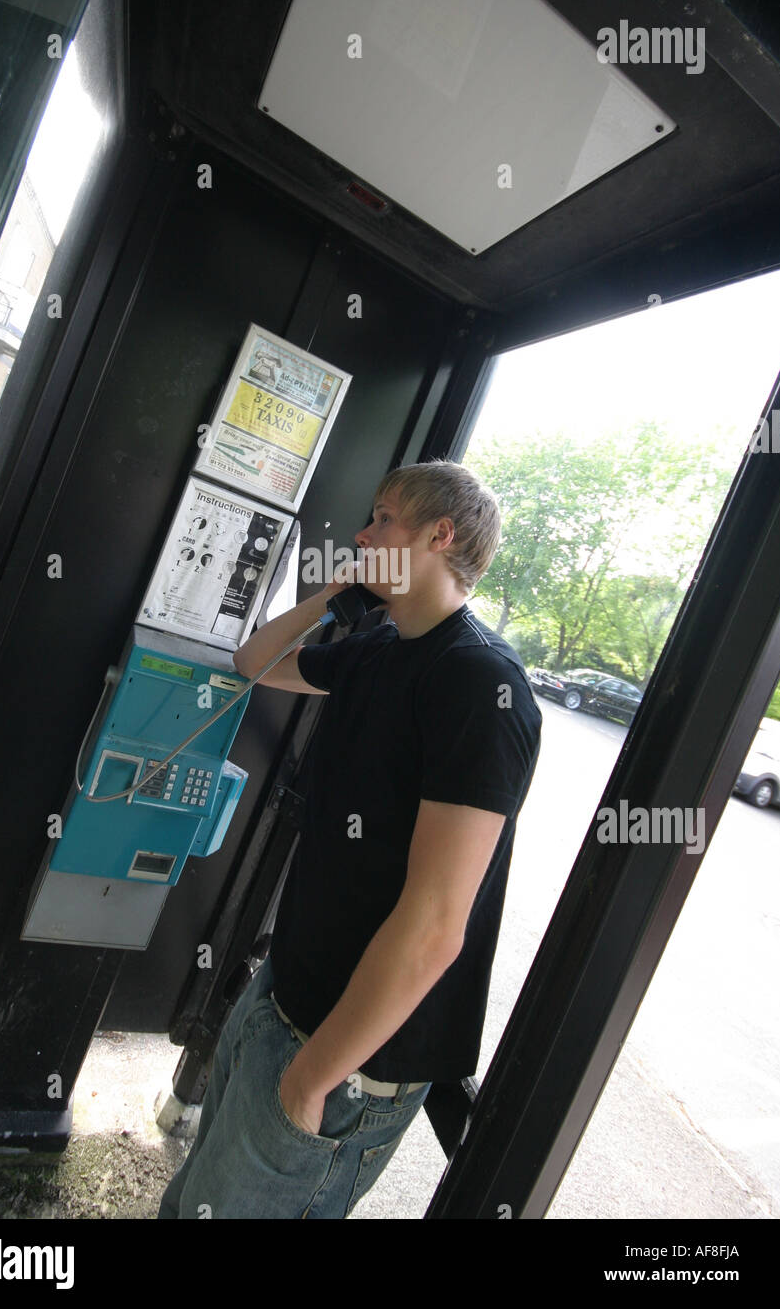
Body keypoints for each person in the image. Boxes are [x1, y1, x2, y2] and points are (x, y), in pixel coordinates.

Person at [157, 460, 542, 1219]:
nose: (364, 533)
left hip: (347, 1064)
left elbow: (436, 928)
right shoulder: (376, 648)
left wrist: (312, 1077)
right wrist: (338, 592)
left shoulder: (479, 685)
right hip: (281, 1000)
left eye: (384, 518)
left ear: (440, 534)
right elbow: (255, 661)